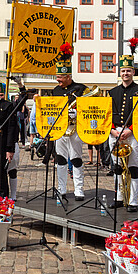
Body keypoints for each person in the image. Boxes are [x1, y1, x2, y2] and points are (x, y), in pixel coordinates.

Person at [107, 39, 138, 213]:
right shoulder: (113, 92)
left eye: (128, 70)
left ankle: (134, 200)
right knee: (117, 167)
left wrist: (131, 130)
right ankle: (119, 197)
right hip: (115, 133)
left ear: (133, 71)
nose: (125, 73)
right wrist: (113, 131)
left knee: (133, 167)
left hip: (132, 134)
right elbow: (108, 114)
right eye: (123, 71)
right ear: (119, 72)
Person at [52, 43, 87, 201]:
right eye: (57, 79)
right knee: (60, 158)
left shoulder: (80, 88)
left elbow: (89, 108)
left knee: (76, 158)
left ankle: (79, 189)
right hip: (60, 129)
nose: (59, 82)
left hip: (75, 129)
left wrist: (77, 112)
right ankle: (62, 188)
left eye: (61, 79)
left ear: (69, 77)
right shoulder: (56, 90)